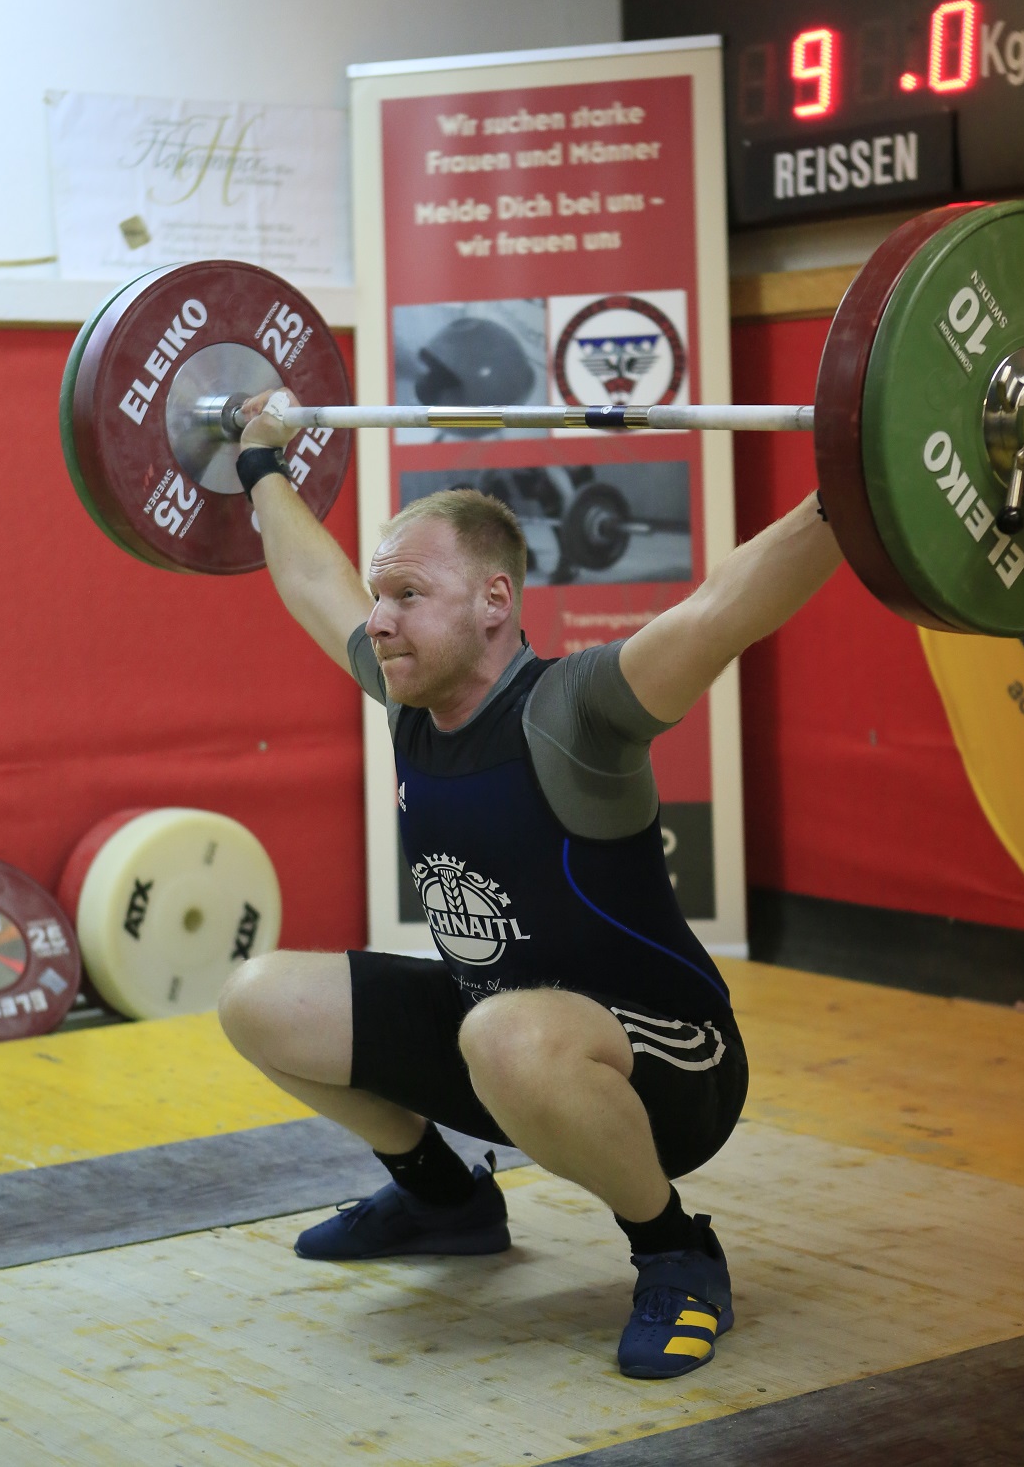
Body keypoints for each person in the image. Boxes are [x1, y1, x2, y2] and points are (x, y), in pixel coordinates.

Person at [218, 388, 844, 1380]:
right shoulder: (408, 694)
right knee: (259, 999)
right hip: (500, 1037)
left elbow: (723, 609)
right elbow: (310, 581)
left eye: (407, 597)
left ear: (494, 603)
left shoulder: (577, 709)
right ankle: (441, 1198)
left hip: (670, 1065)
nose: (376, 619)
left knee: (502, 1032)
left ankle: (673, 1247)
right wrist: (259, 465)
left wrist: (855, 480)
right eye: (380, 597)